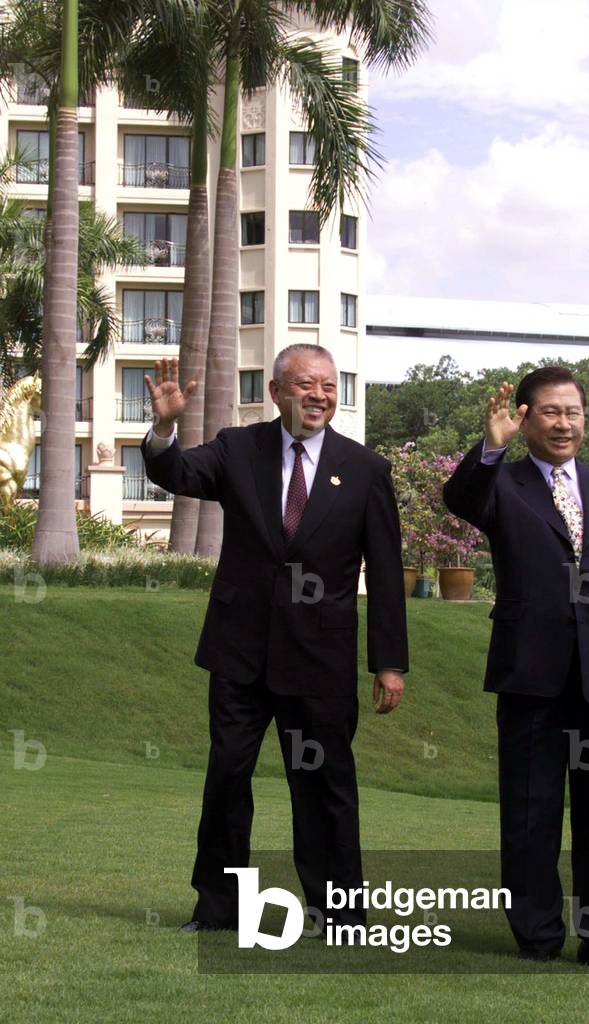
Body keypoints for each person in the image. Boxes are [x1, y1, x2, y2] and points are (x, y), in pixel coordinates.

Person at [141, 344, 408, 932]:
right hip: (240, 654)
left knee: (324, 787)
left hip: (321, 659)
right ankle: (218, 910)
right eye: (306, 385)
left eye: (329, 387)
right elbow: (175, 472)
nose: (320, 396)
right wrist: (164, 428)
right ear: (277, 391)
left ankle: (340, 916)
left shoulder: (365, 470)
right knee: (229, 777)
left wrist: (389, 663)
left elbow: (387, 576)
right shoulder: (238, 448)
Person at [443, 367, 589, 971]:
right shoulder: (501, 484)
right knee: (532, 811)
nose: (564, 424)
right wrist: (491, 446)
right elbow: (457, 499)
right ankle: (537, 938)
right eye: (550, 412)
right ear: (525, 416)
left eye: (574, 413)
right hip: (530, 673)